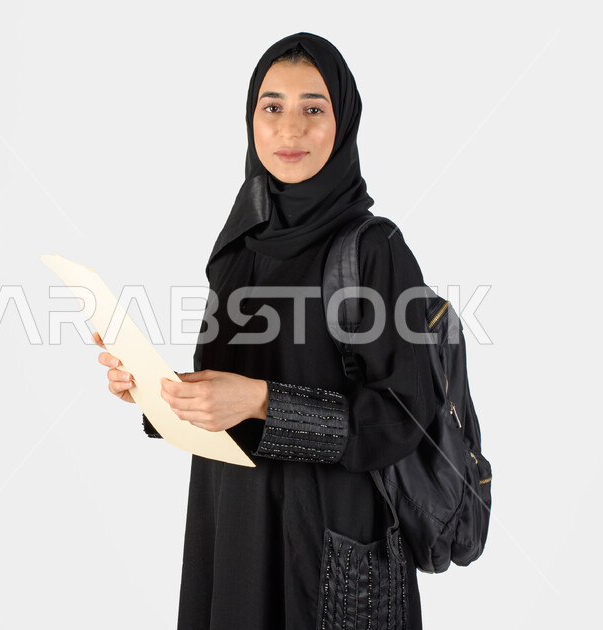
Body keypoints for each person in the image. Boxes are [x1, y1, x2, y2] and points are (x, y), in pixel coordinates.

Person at [93, 32, 438, 630]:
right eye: (271, 107)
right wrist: (158, 393)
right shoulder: (239, 246)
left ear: (344, 121)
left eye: (313, 108)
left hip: (332, 550)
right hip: (234, 534)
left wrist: (259, 401)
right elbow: (221, 404)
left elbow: (400, 417)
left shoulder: (374, 249)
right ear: (251, 118)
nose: (290, 130)